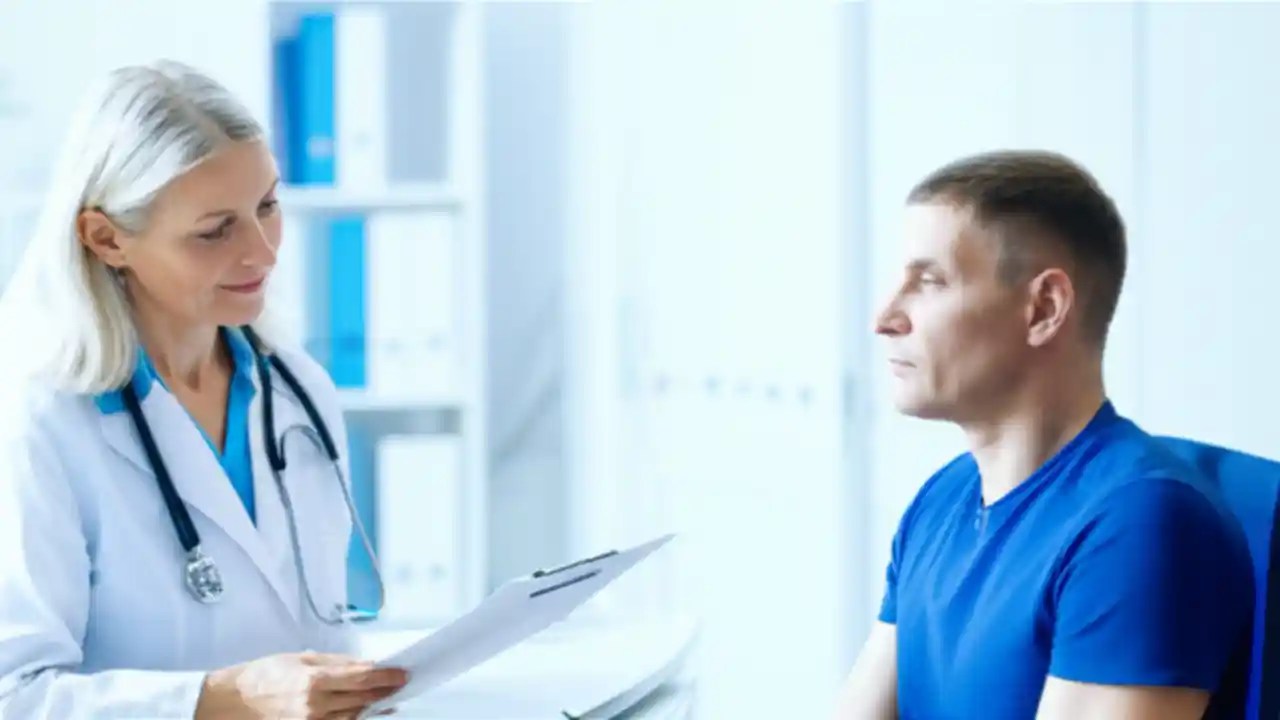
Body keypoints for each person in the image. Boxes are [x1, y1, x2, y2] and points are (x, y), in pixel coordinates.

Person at [0, 61, 408, 718]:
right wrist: (223, 699)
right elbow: (15, 696)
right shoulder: (41, 422)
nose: (262, 253)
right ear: (107, 239)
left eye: (267, 206)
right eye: (215, 231)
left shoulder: (297, 391)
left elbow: (325, 649)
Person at [833, 150, 1254, 719]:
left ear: (1044, 309)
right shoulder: (943, 498)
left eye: (929, 282)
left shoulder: (1140, 525)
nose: (885, 318)